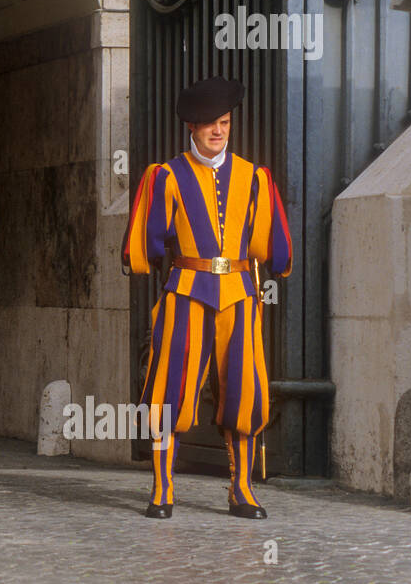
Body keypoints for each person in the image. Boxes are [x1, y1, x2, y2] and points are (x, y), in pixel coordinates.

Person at [121, 76, 292, 520]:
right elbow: (148, 244)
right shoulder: (166, 176)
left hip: (239, 293)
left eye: (224, 122)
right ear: (191, 128)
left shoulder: (254, 177)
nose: (218, 131)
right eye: (209, 124)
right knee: (169, 388)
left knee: (244, 390)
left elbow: (271, 246)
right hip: (185, 293)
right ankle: (162, 488)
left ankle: (241, 490)